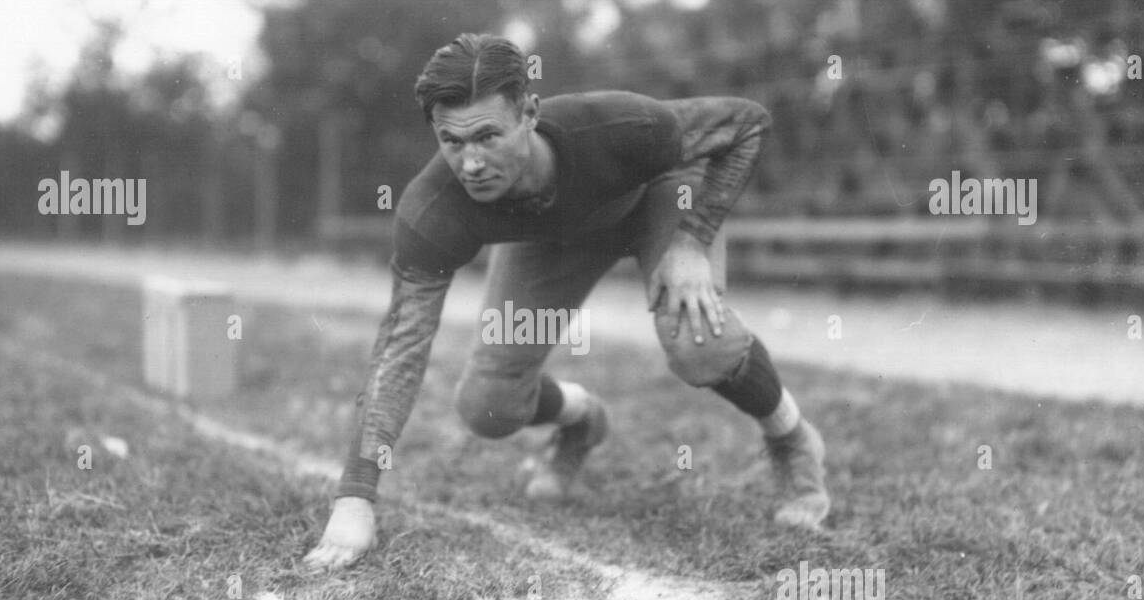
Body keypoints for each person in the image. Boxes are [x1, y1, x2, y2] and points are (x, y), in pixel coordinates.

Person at [305, 33, 828, 569]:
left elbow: (746, 122)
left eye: (488, 135)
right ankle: (581, 419)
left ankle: (790, 437)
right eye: (451, 141)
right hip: (554, 240)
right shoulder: (432, 210)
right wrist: (355, 496)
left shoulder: (620, 126)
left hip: (659, 202)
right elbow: (401, 347)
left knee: (698, 343)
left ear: (529, 113)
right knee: (487, 405)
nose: (472, 163)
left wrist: (692, 238)